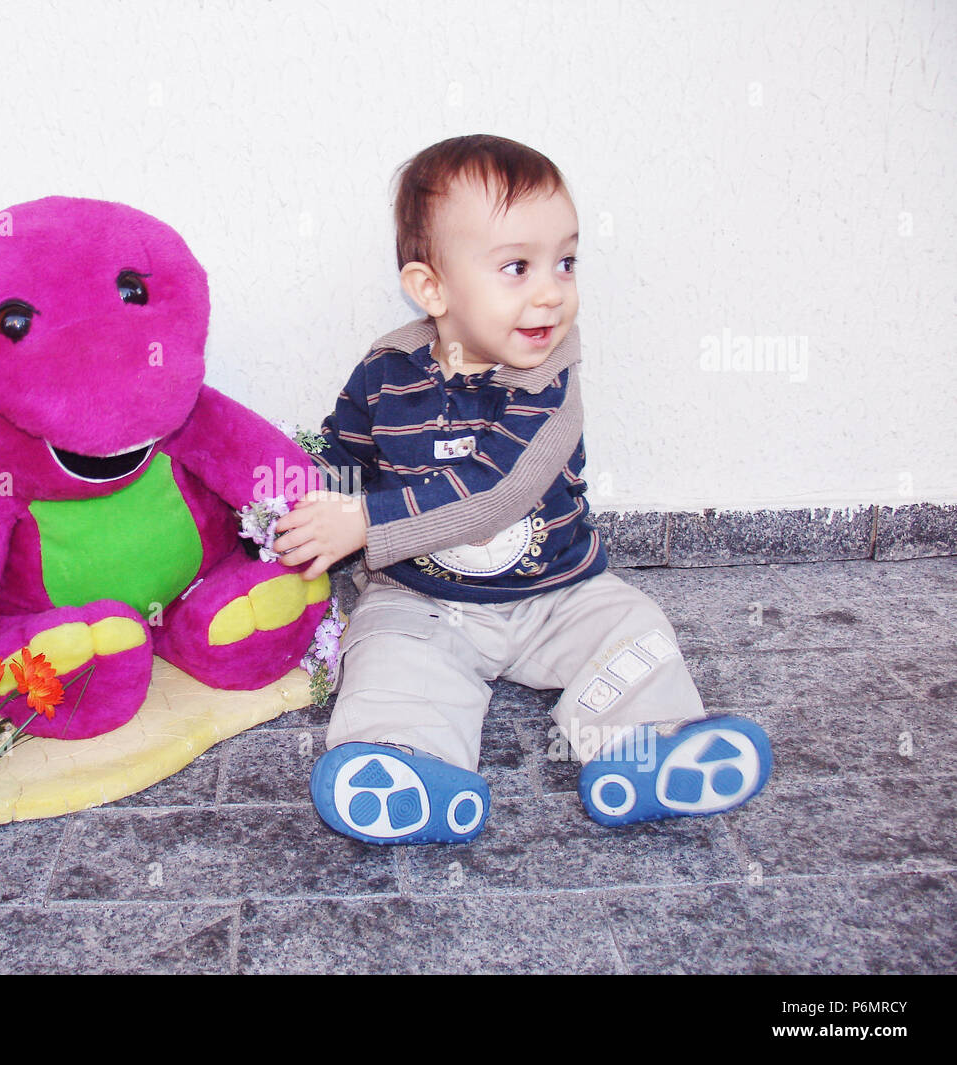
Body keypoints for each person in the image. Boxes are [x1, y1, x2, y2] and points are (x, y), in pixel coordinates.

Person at [271, 134, 771, 844]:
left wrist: (366, 523)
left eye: (565, 262)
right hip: (427, 600)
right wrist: (283, 500)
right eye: (517, 267)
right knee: (382, 649)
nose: (551, 291)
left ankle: (648, 747)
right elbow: (341, 456)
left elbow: (499, 491)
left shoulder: (551, 377)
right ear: (431, 288)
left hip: (558, 597)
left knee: (631, 626)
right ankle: (406, 765)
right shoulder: (386, 370)